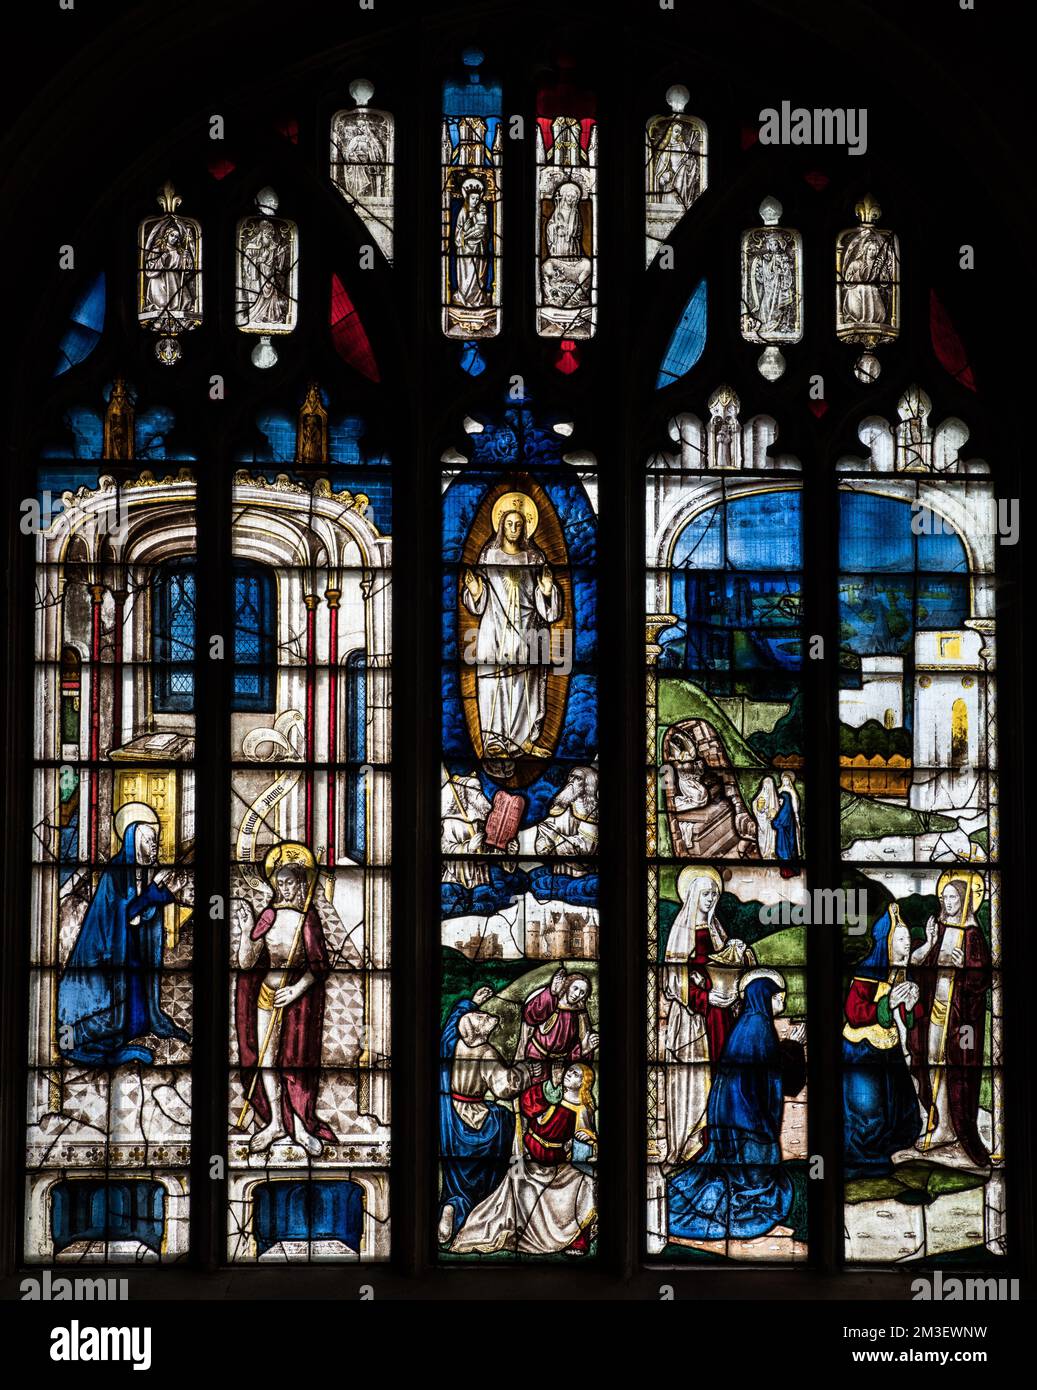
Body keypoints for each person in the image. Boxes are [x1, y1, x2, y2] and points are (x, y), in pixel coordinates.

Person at [58, 802, 192, 1067]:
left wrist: (166, 893)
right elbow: (120, 916)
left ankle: (145, 1023)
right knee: (113, 1013)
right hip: (106, 957)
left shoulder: (142, 872)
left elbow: (140, 915)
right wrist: (154, 893)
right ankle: (109, 1043)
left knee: (139, 1002)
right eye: (149, 840)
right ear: (133, 840)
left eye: (156, 840)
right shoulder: (115, 874)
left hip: (129, 950)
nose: (155, 845)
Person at [666, 969, 795, 1241]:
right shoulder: (759, 1026)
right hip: (746, 1115)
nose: (782, 1003)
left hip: (734, 1111)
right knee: (759, 1174)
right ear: (764, 996)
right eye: (778, 997)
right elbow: (765, 1080)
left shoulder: (748, 1023)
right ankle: (746, 1186)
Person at [235, 842, 337, 1156]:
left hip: (296, 1001)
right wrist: (245, 931)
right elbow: (246, 963)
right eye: (279, 884)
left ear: (301, 884)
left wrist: (296, 989)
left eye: (289, 883)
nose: (284, 888)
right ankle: (276, 1123)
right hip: (266, 995)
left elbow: (319, 966)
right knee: (266, 1060)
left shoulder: (308, 918)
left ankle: (302, 1127)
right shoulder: (267, 916)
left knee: (294, 1063)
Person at [449, 1064, 597, 1256]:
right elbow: (527, 1106)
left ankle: (576, 1239)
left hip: (554, 1163)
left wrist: (586, 1137)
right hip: (527, 1156)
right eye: (570, 1070)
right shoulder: (553, 1093)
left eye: (576, 1074)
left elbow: (585, 1137)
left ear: (584, 1083)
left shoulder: (582, 1109)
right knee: (511, 1187)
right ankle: (511, 1230)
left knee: (586, 1184)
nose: (570, 1074)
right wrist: (551, 1085)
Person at [662, 866, 754, 1166]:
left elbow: (726, 965)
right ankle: (690, 1144)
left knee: (722, 1076)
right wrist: (703, 998)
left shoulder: (717, 930)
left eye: (714, 893)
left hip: (721, 1018)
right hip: (694, 1022)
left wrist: (737, 951)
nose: (711, 898)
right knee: (696, 1081)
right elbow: (674, 981)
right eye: (705, 893)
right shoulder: (681, 931)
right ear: (691, 895)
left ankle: (721, 1141)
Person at [461, 492, 563, 762]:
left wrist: (547, 590)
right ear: (501, 525)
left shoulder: (535, 558)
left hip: (528, 631)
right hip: (494, 630)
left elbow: (549, 608)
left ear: (526, 527)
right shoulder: (488, 555)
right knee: (494, 684)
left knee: (524, 686)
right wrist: (474, 590)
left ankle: (526, 740)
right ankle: (494, 740)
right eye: (510, 524)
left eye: (519, 524)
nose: (514, 529)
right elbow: (477, 602)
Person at [906, 871, 991, 1168]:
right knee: (931, 1060)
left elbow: (981, 981)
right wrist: (929, 943)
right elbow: (923, 967)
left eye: (953, 897)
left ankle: (952, 1128)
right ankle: (939, 1120)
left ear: (966, 900)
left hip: (961, 1018)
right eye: (944, 898)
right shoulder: (940, 928)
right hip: (935, 1010)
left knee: (954, 1065)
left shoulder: (972, 935)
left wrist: (966, 967)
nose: (948, 902)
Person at [438, 989, 527, 1244]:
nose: (485, 1018)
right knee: (503, 1119)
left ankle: (452, 1207)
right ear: (482, 1032)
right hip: (475, 1117)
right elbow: (504, 1089)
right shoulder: (486, 1052)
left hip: (450, 1119)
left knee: (456, 1175)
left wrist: (470, 1002)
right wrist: (525, 1072)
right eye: (482, 1017)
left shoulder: (449, 1044)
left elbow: (451, 1024)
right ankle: (480, 1209)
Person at [842, 904, 924, 1176]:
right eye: (901, 939)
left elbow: (907, 1017)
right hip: (861, 1050)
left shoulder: (900, 972)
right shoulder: (867, 973)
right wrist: (890, 1003)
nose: (907, 944)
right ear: (887, 943)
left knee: (900, 1108)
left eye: (908, 939)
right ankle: (864, 1162)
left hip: (888, 1049)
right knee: (867, 1110)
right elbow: (854, 1013)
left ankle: (890, 1149)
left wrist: (911, 1006)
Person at [521, 967, 598, 1082]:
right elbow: (531, 1016)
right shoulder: (551, 1001)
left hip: (560, 1064)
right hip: (536, 1056)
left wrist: (585, 1049)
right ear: (567, 986)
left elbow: (577, 1046)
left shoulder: (580, 1015)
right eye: (575, 988)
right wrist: (551, 993)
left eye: (582, 992)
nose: (577, 994)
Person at [453, 176, 489, 308]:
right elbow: (457, 234)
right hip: (465, 251)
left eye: (477, 199)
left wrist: (483, 234)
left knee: (478, 275)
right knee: (467, 275)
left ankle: (477, 297)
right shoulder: (463, 212)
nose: (475, 201)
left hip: (478, 248)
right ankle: (465, 296)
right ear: (467, 198)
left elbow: (486, 232)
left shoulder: (481, 213)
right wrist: (465, 230)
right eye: (473, 198)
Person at [772, 771, 802, 877]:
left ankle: (791, 868)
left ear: (789, 781)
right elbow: (775, 802)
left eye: (787, 780)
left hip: (789, 819)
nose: (785, 781)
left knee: (790, 844)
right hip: (781, 818)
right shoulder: (778, 790)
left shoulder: (792, 792)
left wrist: (796, 815)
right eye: (783, 779)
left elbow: (794, 805)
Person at [752, 775, 779, 858]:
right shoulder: (761, 795)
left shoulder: (774, 797)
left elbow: (776, 809)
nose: (766, 786)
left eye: (768, 784)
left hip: (770, 823)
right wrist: (761, 811)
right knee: (762, 839)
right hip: (762, 821)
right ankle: (765, 853)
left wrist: (772, 814)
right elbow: (755, 805)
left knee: (772, 839)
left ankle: (771, 852)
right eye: (765, 784)